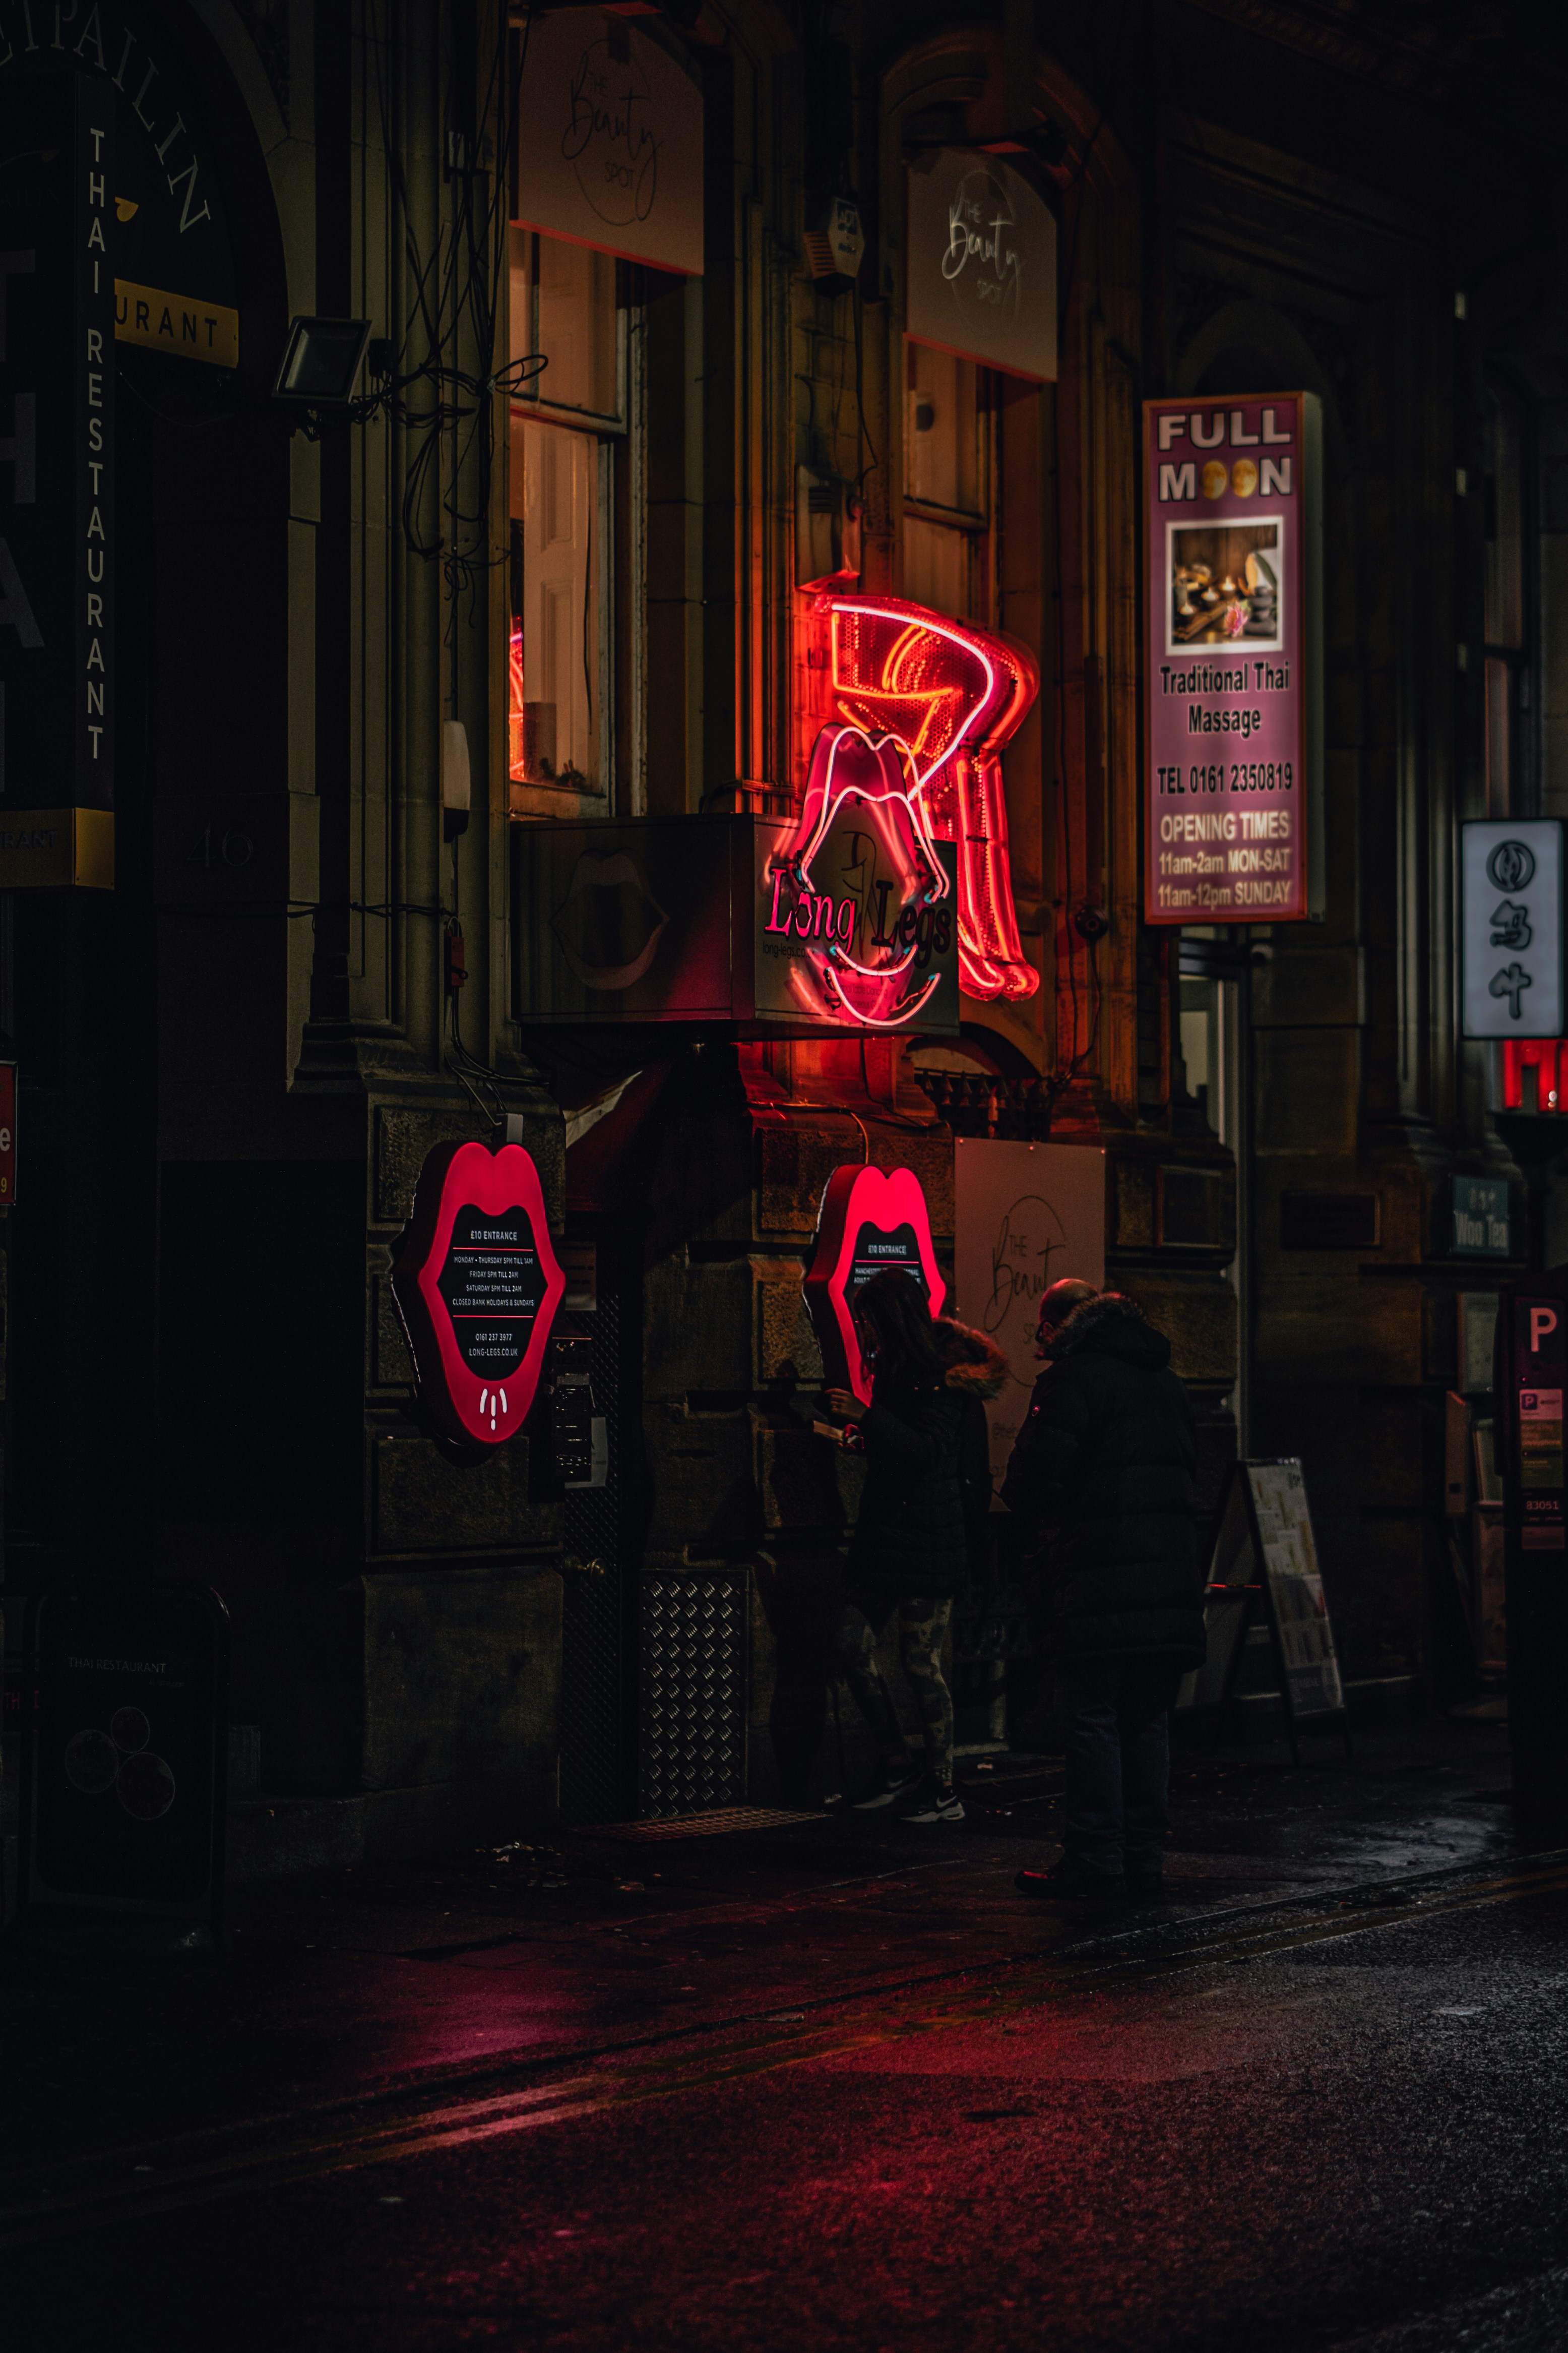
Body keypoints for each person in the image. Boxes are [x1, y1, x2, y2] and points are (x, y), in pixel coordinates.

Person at [1001, 1279, 1203, 1901]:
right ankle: (1144, 1856)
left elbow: (1034, 1482)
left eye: (1042, 1327)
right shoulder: (1164, 1380)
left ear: (1064, 1324)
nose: (1039, 1340)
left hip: (1095, 1580)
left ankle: (1095, 1857)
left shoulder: (1074, 1379)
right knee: (1146, 1719)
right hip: (1166, 1583)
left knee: (1090, 1716)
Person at [823, 1267, 1006, 1824]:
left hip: (929, 1540)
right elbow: (902, 1449)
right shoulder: (898, 1372)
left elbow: (929, 1451)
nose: (863, 1330)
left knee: (920, 1661)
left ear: (890, 1319)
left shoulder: (943, 1378)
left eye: (867, 1320)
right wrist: (863, 1436)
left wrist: (867, 1417)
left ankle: (943, 1788)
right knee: (851, 1646)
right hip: (886, 1537)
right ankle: (897, 1762)